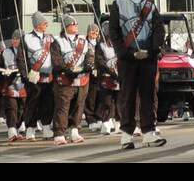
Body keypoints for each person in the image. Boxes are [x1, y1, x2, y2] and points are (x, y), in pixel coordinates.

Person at [108, 0, 166, 149]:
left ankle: (149, 132)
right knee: (127, 96)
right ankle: (126, 134)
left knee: (148, 96)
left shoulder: (150, 3)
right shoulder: (118, 3)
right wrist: (124, 53)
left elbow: (158, 29)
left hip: (147, 57)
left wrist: (153, 49)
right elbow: (114, 31)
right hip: (128, 58)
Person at [50, 15, 92, 144]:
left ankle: (74, 130)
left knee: (79, 105)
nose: (76, 26)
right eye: (73, 24)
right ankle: (59, 133)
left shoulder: (84, 41)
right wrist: (66, 70)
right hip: (65, 78)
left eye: (76, 24)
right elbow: (56, 59)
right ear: (66, 27)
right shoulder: (57, 42)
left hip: (81, 79)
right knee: (63, 105)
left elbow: (89, 55)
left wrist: (87, 66)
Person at [19, 11, 55, 140]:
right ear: (38, 24)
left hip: (49, 76)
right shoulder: (26, 38)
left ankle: (46, 128)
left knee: (48, 103)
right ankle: (30, 129)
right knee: (32, 104)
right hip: (34, 77)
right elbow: (21, 59)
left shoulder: (50, 38)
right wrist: (25, 76)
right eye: (45, 23)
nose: (47, 24)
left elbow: (55, 55)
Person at [0, 30, 27, 141]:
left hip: (24, 85)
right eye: (13, 38)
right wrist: (3, 72)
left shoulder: (27, 52)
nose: (15, 41)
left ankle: (18, 127)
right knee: (11, 108)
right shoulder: (5, 52)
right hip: (10, 84)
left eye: (17, 38)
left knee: (22, 109)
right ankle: (12, 130)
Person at [91, 21, 120, 134]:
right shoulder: (100, 45)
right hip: (107, 77)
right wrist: (110, 71)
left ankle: (119, 122)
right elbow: (99, 61)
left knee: (120, 101)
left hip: (119, 76)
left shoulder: (119, 43)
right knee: (107, 101)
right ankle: (105, 122)